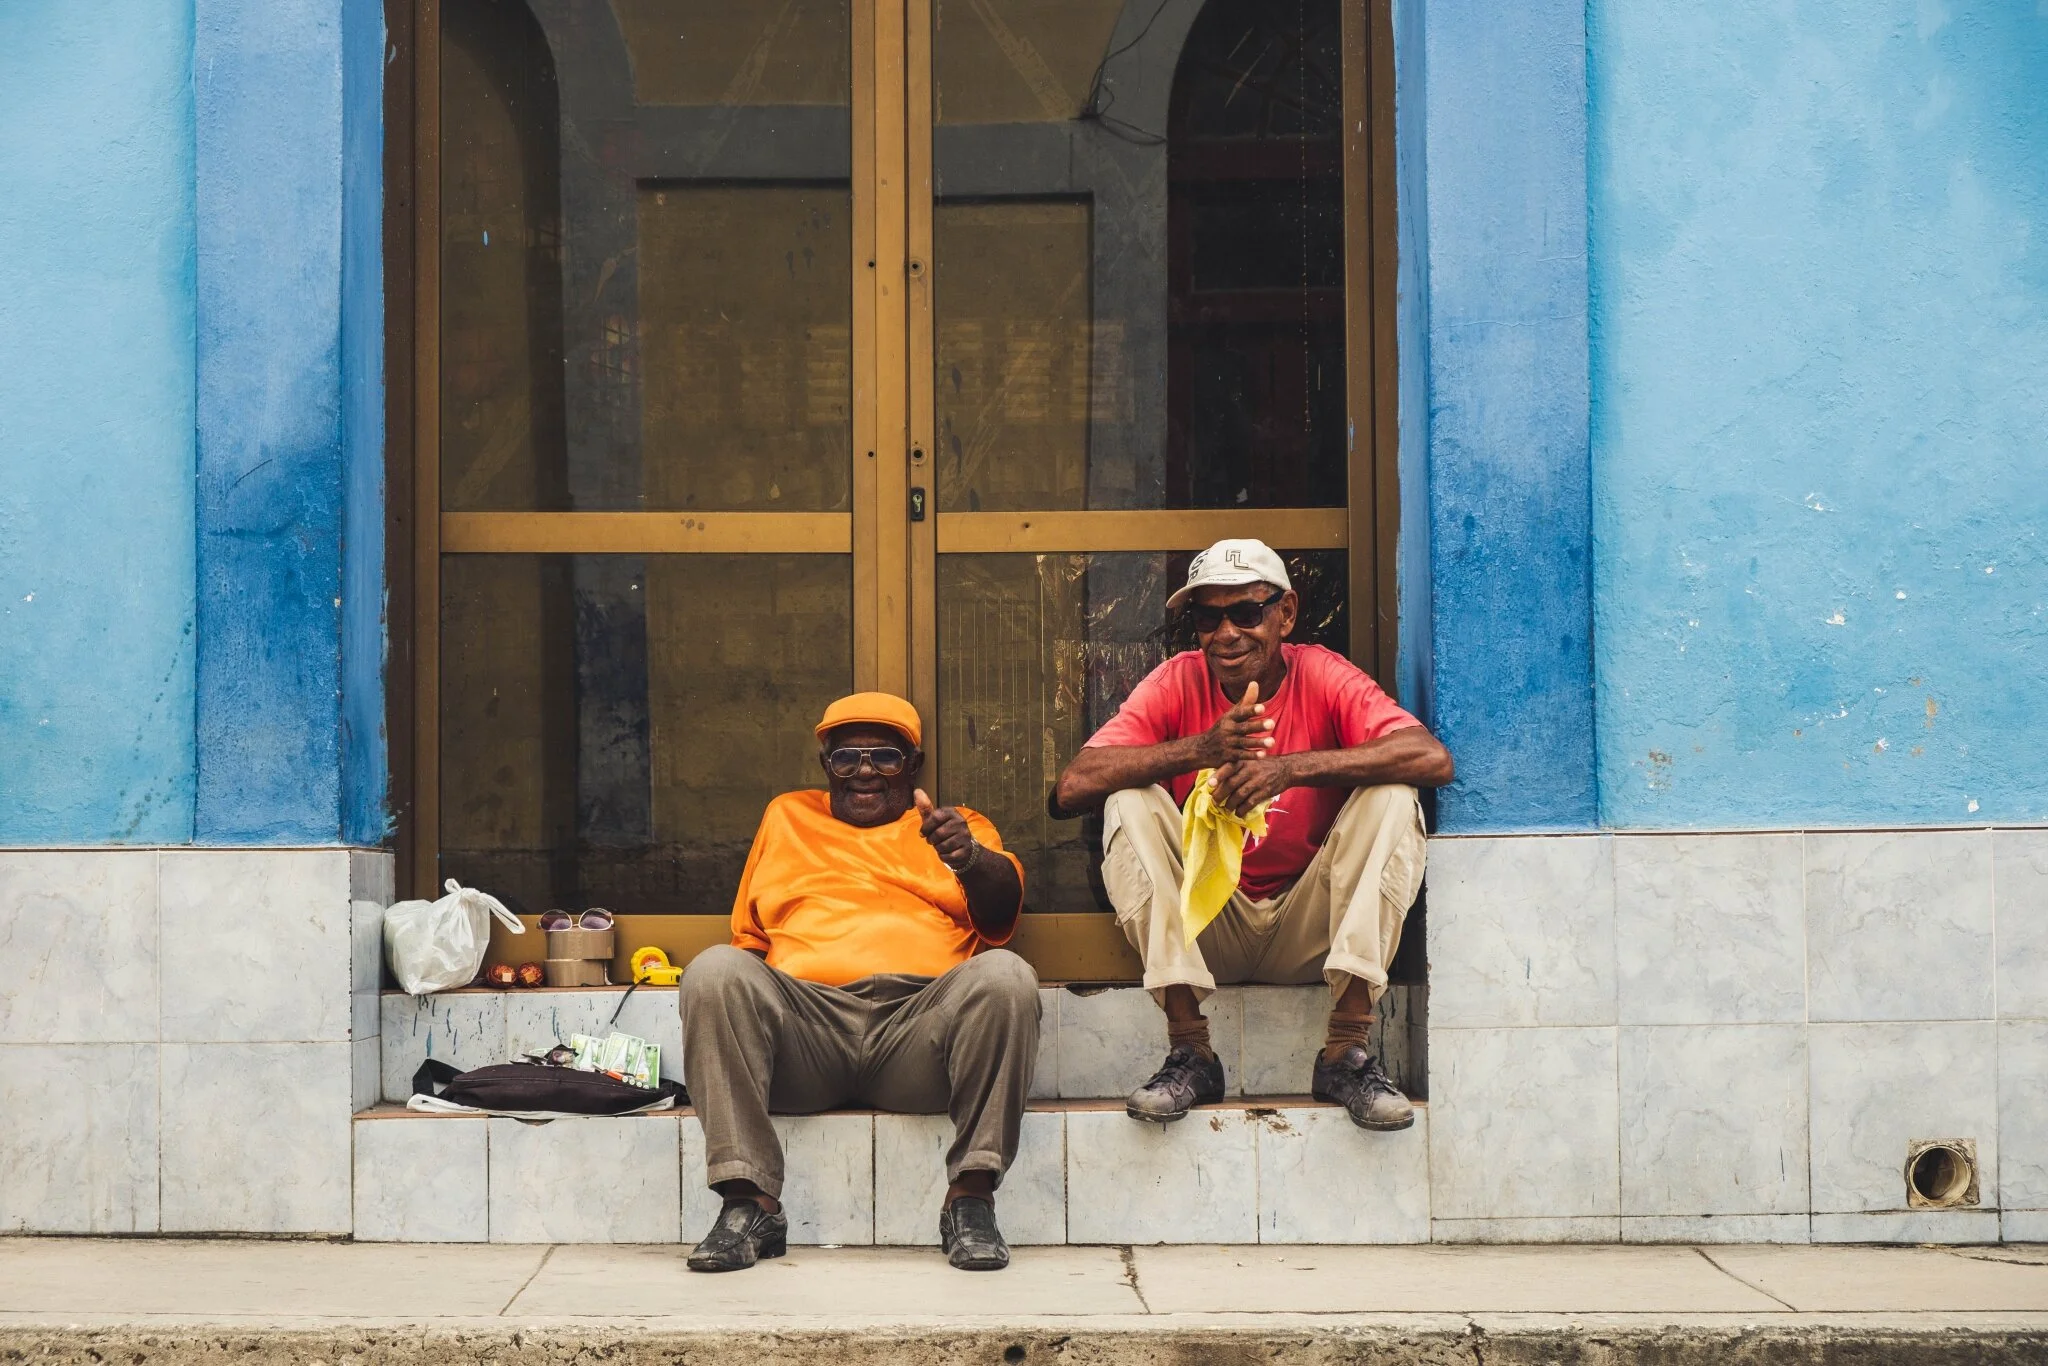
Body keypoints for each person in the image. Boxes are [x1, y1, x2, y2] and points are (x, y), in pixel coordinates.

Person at [1050, 539, 1454, 1130]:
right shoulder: (1176, 681)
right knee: (1128, 800)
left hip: (1307, 928)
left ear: (1284, 614)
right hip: (1208, 925)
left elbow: (1429, 758)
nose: (1226, 633)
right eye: (1207, 617)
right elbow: (1072, 787)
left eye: (1246, 613)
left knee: (1393, 796)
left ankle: (1345, 1049)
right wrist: (1202, 750)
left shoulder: (1320, 673)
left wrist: (1287, 769)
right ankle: (1191, 1049)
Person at [680, 692, 1036, 1273]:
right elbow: (749, 939)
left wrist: (968, 859)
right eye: (846, 758)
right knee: (715, 970)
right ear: (826, 767)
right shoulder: (786, 816)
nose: (864, 771)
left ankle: (970, 1199)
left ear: (914, 765)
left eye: (885, 757)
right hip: (806, 1032)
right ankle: (751, 1204)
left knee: (1006, 976)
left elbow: (1001, 917)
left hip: (917, 1032)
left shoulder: (957, 828)